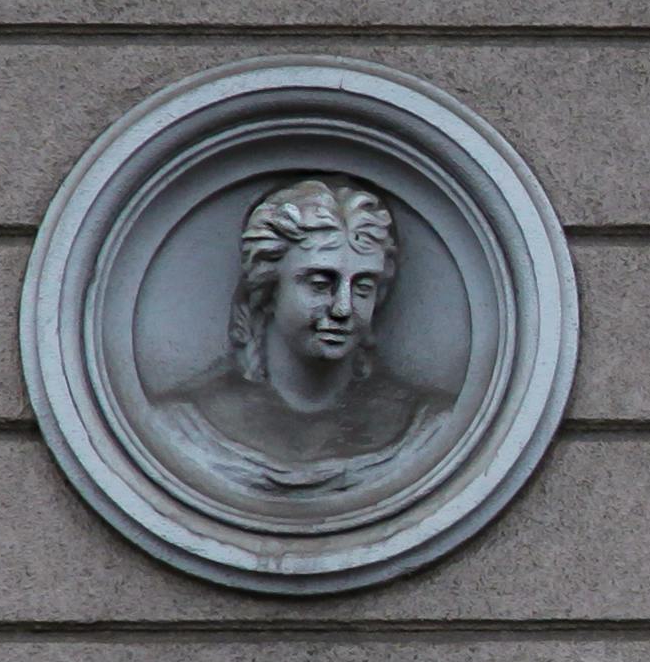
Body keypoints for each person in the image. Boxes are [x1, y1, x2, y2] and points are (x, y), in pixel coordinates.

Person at [151, 175, 450, 495]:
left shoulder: (426, 427)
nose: (343, 308)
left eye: (363, 287)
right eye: (320, 284)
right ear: (268, 289)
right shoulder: (187, 424)